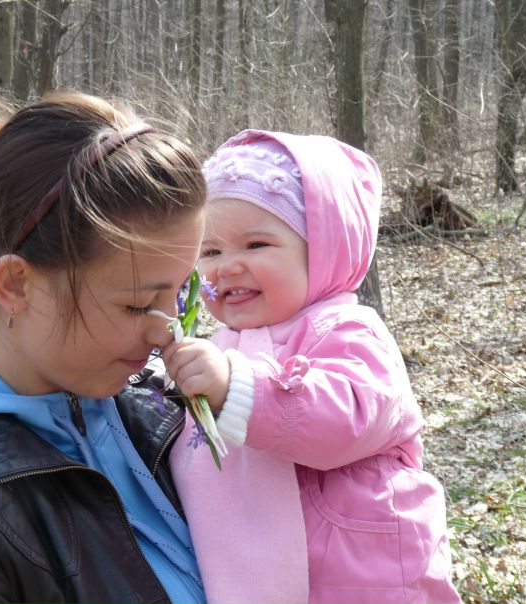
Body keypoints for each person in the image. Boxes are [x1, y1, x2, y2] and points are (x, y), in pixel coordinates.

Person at [0, 91, 210, 603]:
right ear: (17, 285)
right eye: (138, 305)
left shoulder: (160, 404)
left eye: (180, 293)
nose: (167, 332)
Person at [163, 130, 462, 604]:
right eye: (211, 251)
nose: (227, 267)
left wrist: (238, 388)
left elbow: (349, 418)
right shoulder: (221, 344)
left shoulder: (347, 331)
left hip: (365, 577)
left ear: (324, 251)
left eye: (256, 244)